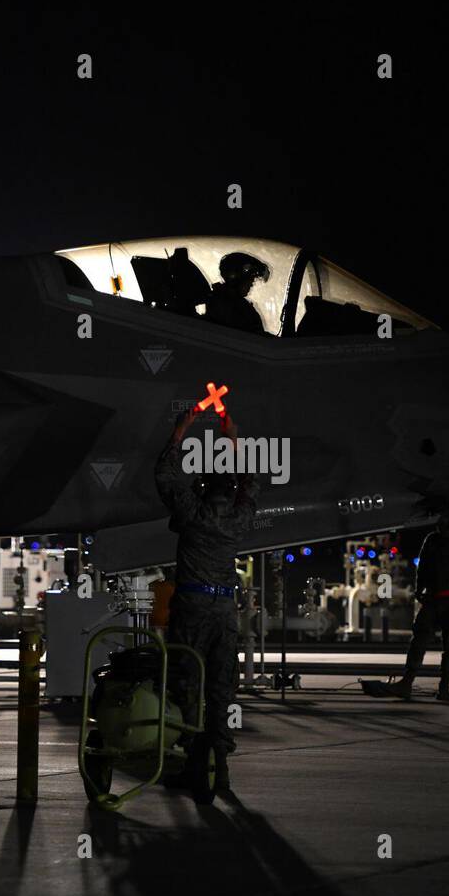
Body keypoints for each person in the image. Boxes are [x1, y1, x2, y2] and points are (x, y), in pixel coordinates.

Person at [154, 407, 259, 788]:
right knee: (220, 686)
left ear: (202, 486)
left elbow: (164, 476)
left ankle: (194, 763)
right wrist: (233, 439)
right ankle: (221, 768)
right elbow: (252, 484)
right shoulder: (238, 519)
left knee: (187, 682)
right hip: (224, 610)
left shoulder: (192, 513)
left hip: (194, 607)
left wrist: (181, 429)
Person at [367, 511, 449, 700]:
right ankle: (407, 682)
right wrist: (420, 590)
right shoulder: (434, 541)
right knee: (418, 641)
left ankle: (443, 687)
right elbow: (424, 566)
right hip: (433, 600)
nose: (439, 526)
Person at [203, 252, 270, 334]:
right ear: (235, 278)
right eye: (250, 279)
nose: (252, 283)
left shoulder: (224, 300)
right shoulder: (225, 305)